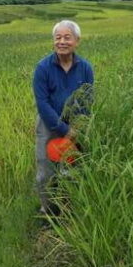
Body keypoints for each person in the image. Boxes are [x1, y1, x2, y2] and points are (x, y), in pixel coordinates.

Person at [32, 20, 94, 216]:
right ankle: (48, 210)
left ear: (77, 41)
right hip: (48, 125)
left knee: (74, 169)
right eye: (58, 37)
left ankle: (71, 206)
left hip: (77, 125)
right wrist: (64, 130)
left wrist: (78, 127)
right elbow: (42, 103)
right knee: (45, 172)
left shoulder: (85, 68)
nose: (62, 42)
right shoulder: (43, 68)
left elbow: (87, 99)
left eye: (67, 37)